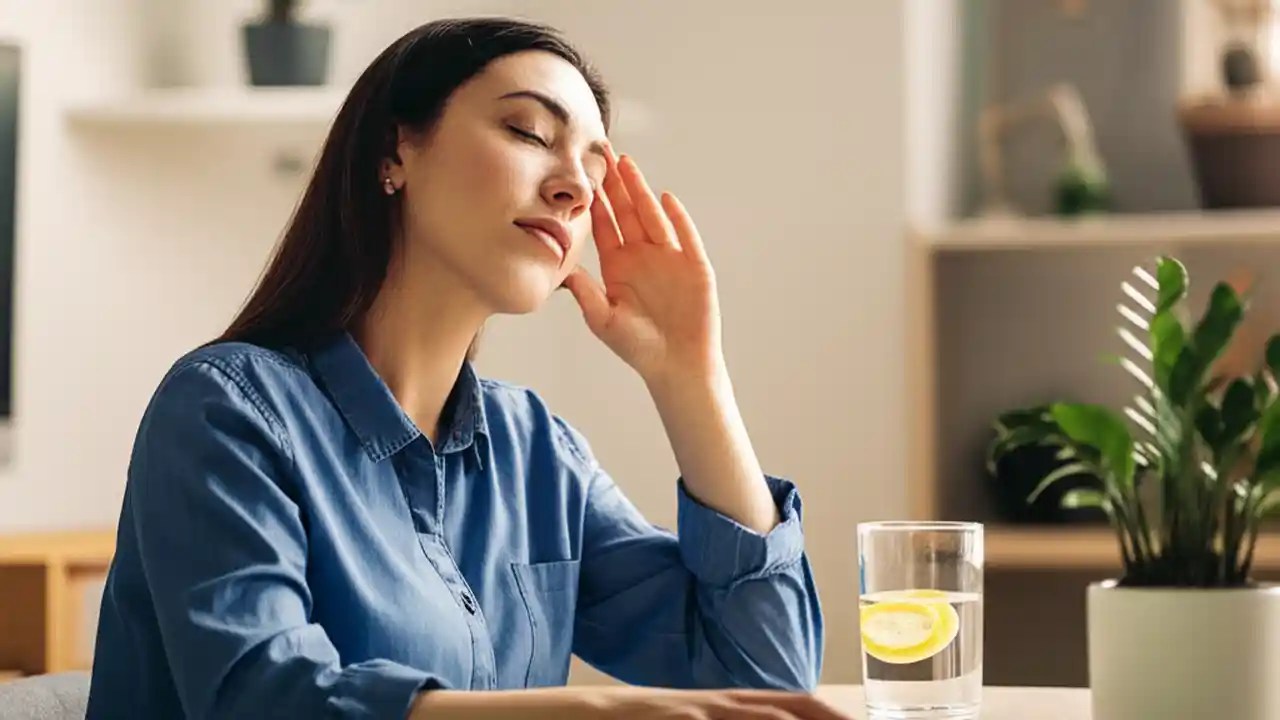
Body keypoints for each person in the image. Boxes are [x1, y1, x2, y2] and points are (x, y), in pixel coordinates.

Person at [86, 16, 838, 720]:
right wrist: (590, 711)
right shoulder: (227, 410)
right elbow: (263, 694)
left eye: (595, 170)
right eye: (528, 131)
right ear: (393, 152)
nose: (574, 186)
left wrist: (690, 377)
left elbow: (769, 676)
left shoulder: (536, 453)